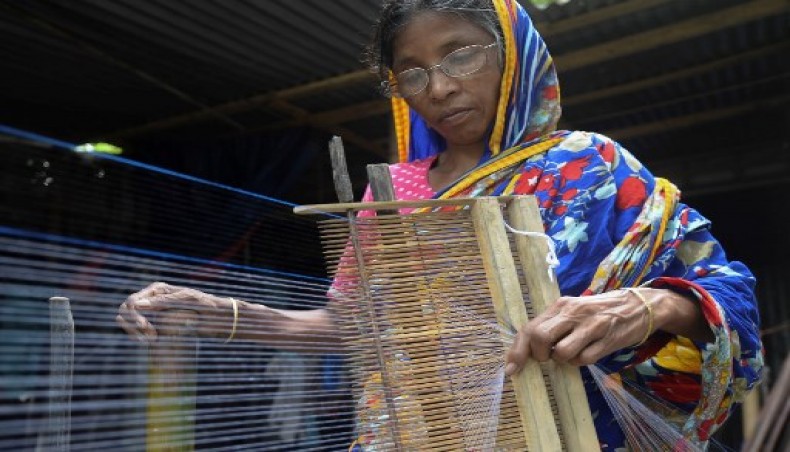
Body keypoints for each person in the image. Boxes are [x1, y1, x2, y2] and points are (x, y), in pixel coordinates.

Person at [118, 0, 764, 449]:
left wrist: (641, 307)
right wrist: (219, 313)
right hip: (413, 435)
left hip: (568, 433)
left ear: (512, 52)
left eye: (460, 56)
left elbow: (719, 289)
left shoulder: (589, 166)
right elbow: (358, 330)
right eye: (413, 73)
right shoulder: (391, 196)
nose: (438, 88)